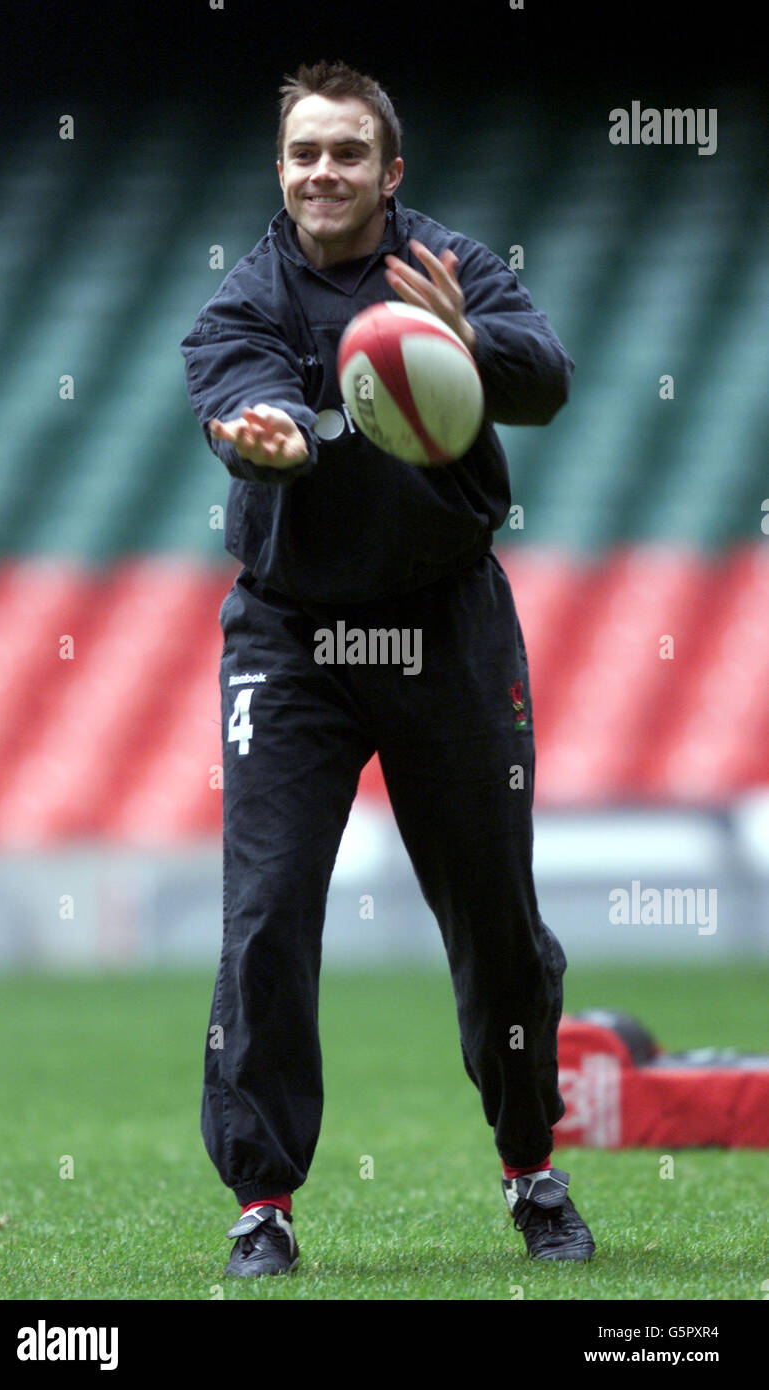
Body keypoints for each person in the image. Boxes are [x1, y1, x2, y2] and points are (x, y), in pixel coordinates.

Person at [181, 59, 595, 1278]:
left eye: (348, 153)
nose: (324, 173)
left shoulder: (452, 270)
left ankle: (531, 1169)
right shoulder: (238, 305)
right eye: (305, 153)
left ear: (389, 170)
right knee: (262, 921)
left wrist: (467, 343)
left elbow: (549, 382)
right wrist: (266, 435)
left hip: (446, 625)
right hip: (290, 642)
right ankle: (263, 1202)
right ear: (281, 169)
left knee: (500, 928)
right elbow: (243, 412)